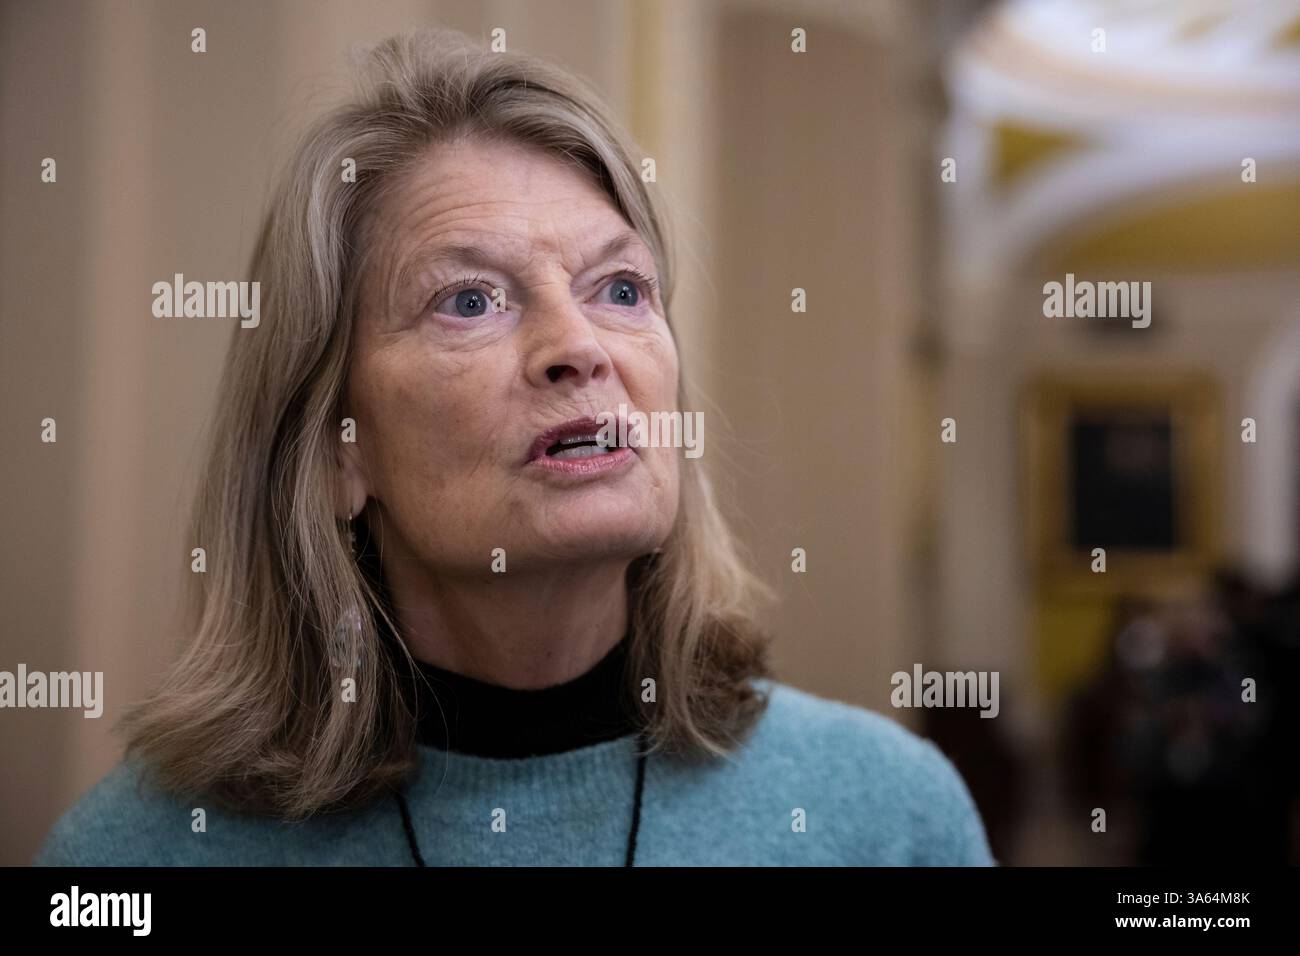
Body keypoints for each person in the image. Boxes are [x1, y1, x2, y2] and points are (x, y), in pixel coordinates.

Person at [34, 27, 994, 867]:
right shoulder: (137, 855)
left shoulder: (889, 816)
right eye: (468, 300)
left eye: (620, 288)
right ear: (337, 448)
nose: (579, 347)